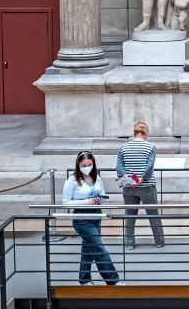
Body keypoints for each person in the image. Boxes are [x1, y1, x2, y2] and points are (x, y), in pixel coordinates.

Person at [64, 152, 120, 285]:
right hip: (82, 219)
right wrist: (86, 202)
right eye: (84, 165)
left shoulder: (96, 177)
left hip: (96, 215)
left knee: (88, 249)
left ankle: (84, 279)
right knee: (99, 249)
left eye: (89, 164)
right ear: (78, 165)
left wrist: (101, 199)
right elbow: (65, 202)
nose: (87, 167)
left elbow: (103, 194)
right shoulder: (72, 181)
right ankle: (113, 281)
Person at [116, 121, 165, 250]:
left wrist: (128, 179)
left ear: (134, 132)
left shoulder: (123, 147)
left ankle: (129, 243)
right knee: (153, 214)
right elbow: (150, 166)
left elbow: (119, 167)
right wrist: (142, 178)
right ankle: (159, 240)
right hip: (147, 186)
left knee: (130, 215)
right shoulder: (150, 147)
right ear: (146, 132)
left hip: (128, 187)